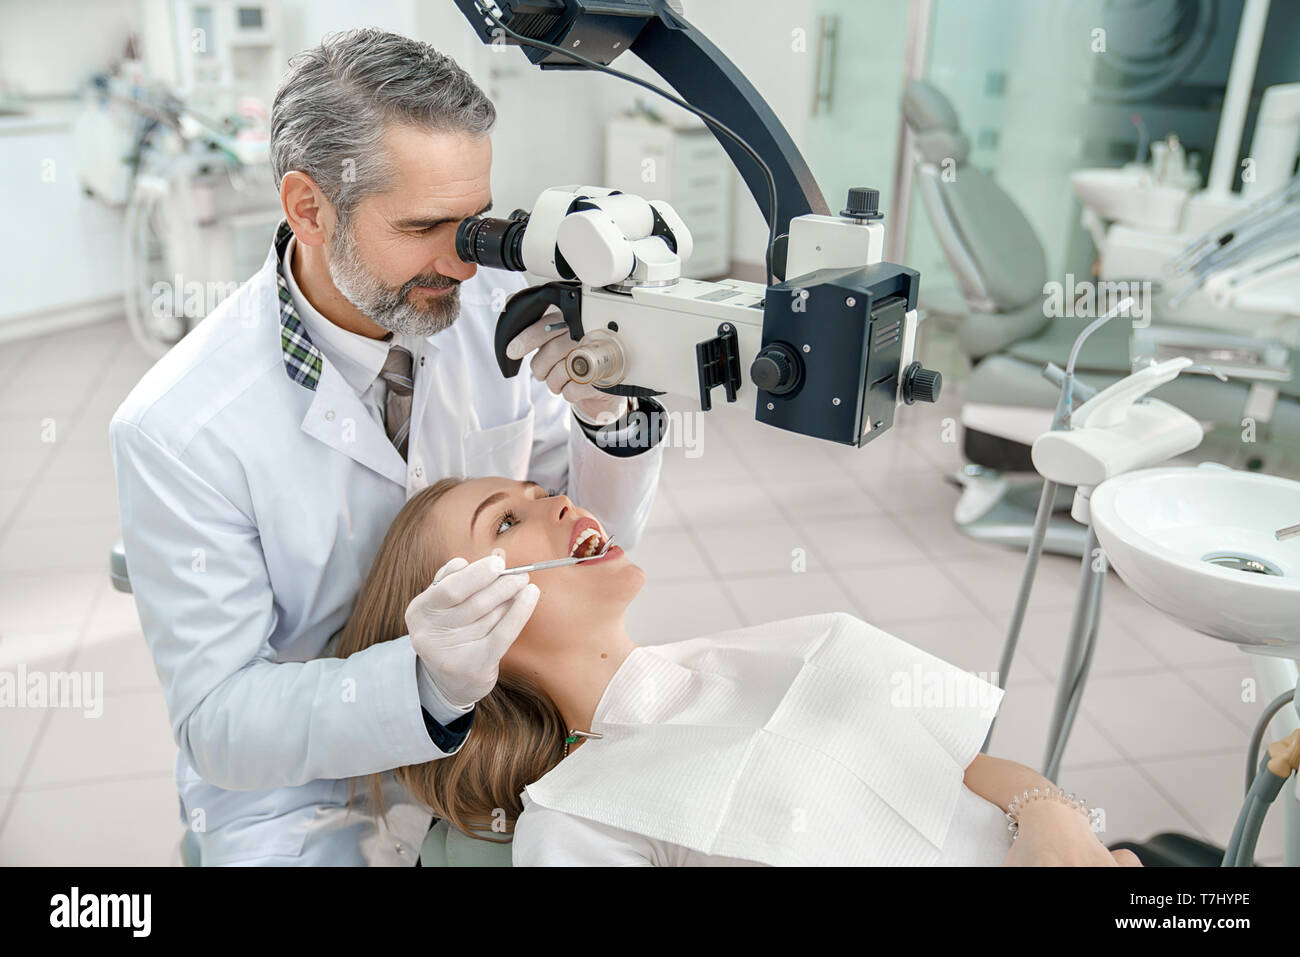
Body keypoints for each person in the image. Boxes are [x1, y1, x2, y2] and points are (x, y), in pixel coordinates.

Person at [109, 29, 667, 866]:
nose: (466, 265)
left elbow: (579, 536)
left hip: (500, 736)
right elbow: (217, 722)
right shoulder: (178, 428)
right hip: (300, 799)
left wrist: (612, 424)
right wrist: (420, 686)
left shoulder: (497, 315)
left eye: (475, 223)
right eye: (424, 226)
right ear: (308, 208)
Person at [335, 476, 1143, 867]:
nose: (558, 504)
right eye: (507, 520)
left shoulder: (755, 656)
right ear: (463, 620)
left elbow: (961, 764)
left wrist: (1055, 821)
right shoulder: (576, 820)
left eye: (544, 491)